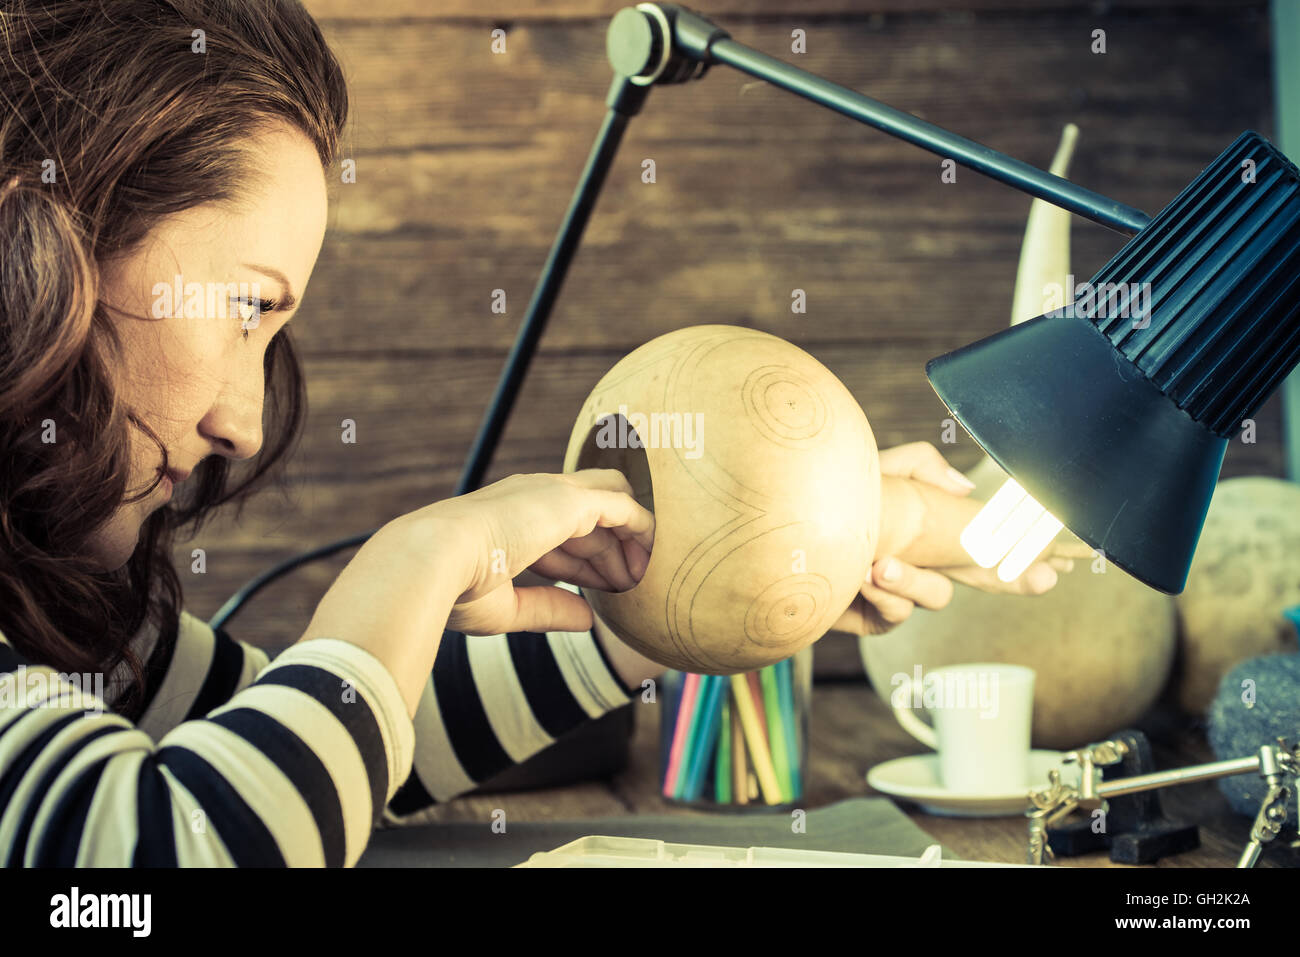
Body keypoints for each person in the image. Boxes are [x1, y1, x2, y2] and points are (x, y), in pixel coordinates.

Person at [0, 0, 1073, 867]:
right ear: (38, 250)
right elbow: (166, 843)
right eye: (244, 307)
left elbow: (322, 749)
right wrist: (418, 560)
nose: (240, 423)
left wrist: (671, 605)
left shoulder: (86, 636)